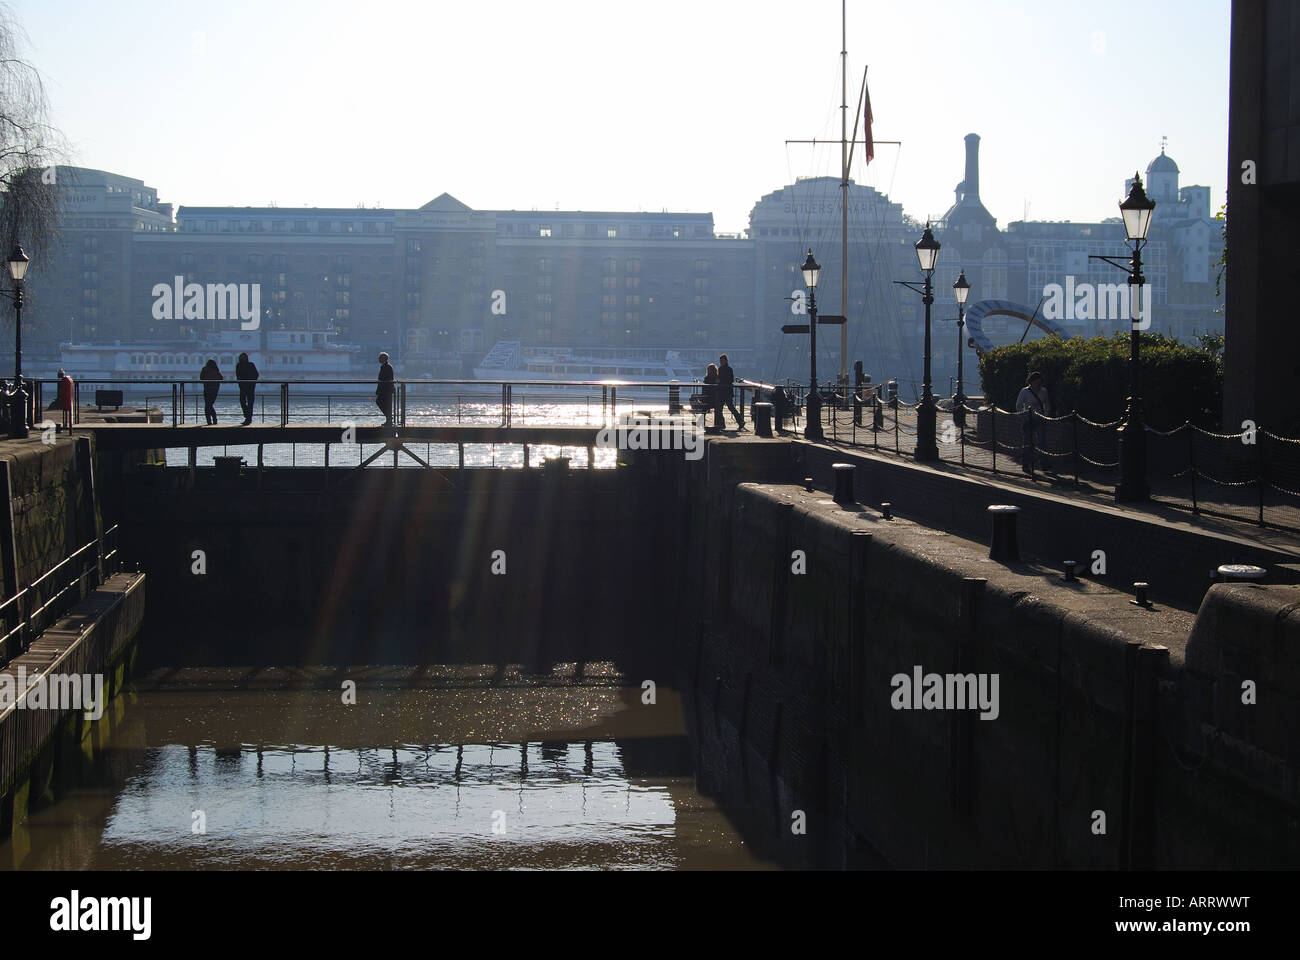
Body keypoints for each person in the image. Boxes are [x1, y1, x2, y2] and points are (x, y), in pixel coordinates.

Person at [1015, 371, 1051, 473]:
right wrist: (1024, 416)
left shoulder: (1044, 391)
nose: (1037, 384)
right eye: (1035, 382)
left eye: (1039, 382)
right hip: (1028, 419)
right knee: (1027, 442)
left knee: (1042, 442)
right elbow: (1018, 405)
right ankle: (1026, 464)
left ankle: (1044, 463)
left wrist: (1045, 416)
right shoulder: (1025, 391)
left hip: (1040, 419)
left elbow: (1047, 404)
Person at [717, 353, 744, 430]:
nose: (721, 362)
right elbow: (730, 380)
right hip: (727, 391)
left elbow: (729, 380)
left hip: (725, 391)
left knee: (724, 408)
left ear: (725, 361)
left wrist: (720, 381)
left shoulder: (726, 369)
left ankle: (722, 424)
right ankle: (740, 421)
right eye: (720, 361)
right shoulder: (726, 369)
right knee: (728, 408)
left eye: (722, 360)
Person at [235, 352, 259, 426]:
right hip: (249, 386)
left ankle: (247, 417)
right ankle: (248, 417)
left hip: (245, 386)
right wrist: (252, 382)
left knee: (244, 402)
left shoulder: (239, 365)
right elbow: (256, 374)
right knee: (249, 403)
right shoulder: (250, 365)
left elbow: (238, 375)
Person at [200, 358, 222, 425]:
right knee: (209, 405)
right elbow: (221, 378)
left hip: (207, 389)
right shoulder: (216, 370)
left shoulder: (205, 369)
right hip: (215, 390)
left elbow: (201, 377)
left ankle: (209, 421)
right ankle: (214, 420)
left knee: (207, 405)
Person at [376, 352, 395, 426]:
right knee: (385, 404)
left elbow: (385, 379)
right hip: (386, 389)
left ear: (384, 358)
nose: (379, 359)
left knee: (380, 402)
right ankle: (389, 419)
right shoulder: (386, 366)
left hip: (385, 389)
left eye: (380, 357)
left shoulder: (386, 366)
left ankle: (389, 418)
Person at [702, 363, 720, 432]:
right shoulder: (717, 377)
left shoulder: (708, 377)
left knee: (703, 410)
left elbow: (705, 387)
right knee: (718, 411)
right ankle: (719, 424)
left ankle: (701, 423)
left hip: (708, 398)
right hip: (715, 398)